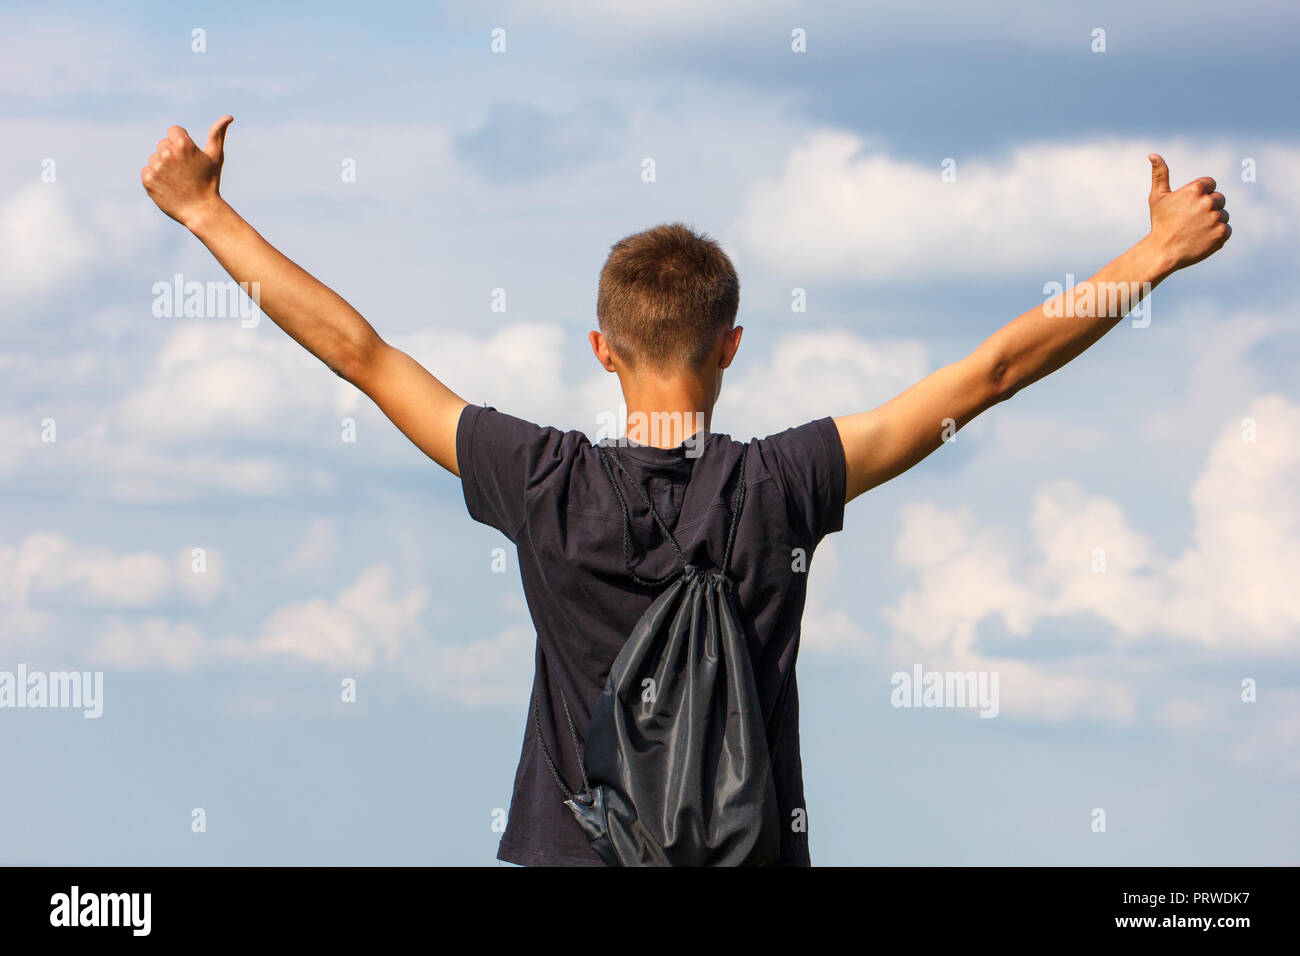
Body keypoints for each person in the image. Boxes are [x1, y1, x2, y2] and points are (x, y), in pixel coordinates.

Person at [141, 116, 1232, 865]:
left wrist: (206, 214)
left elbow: (361, 355)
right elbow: (990, 372)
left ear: (603, 350)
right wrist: (1153, 252)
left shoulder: (542, 480)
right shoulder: (785, 481)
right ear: (732, 345)